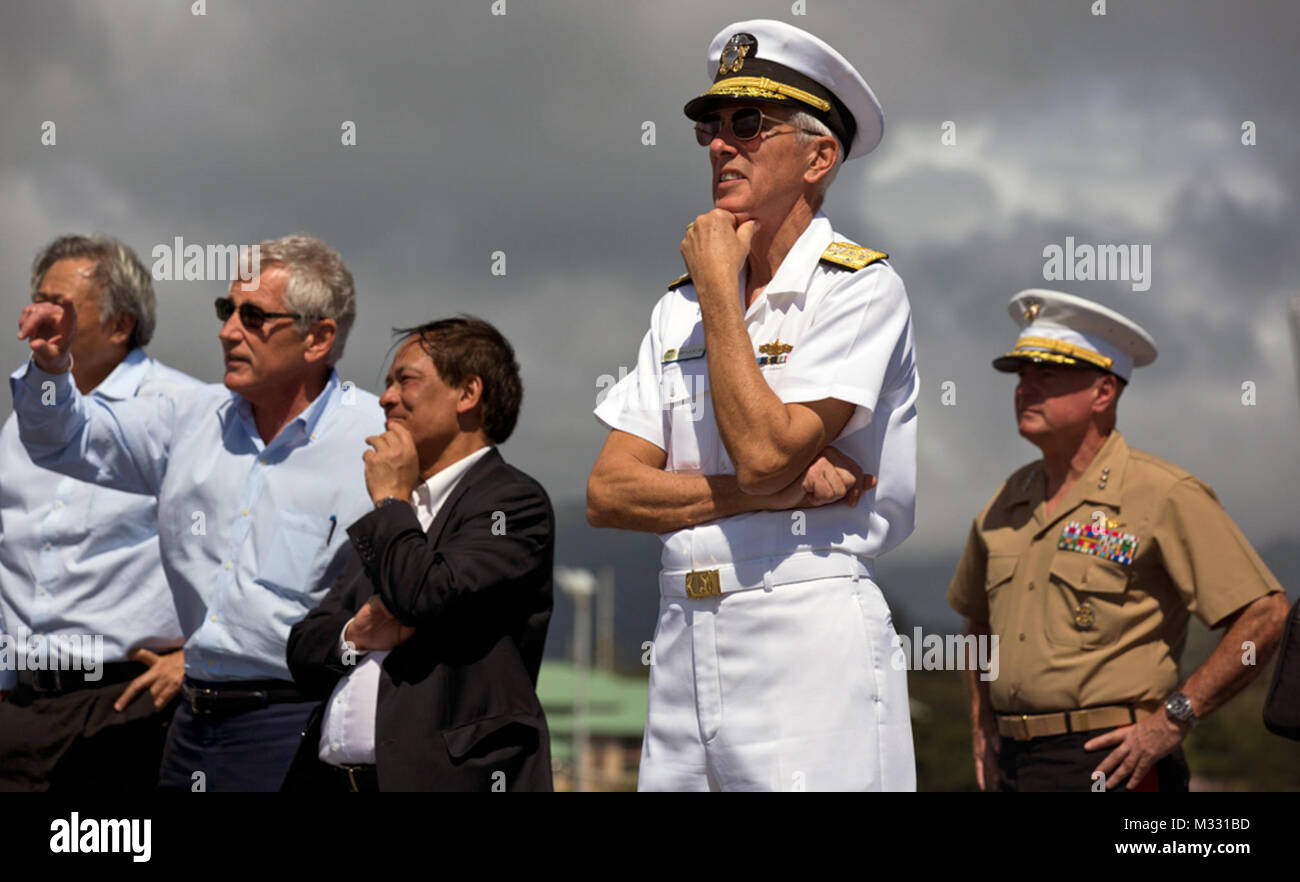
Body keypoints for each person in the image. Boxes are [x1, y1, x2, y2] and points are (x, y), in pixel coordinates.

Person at [587, 19, 919, 791]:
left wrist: (718, 292)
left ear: (819, 156)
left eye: (748, 125)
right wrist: (761, 492)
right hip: (683, 627)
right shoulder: (677, 309)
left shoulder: (860, 288)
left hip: (802, 619)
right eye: (711, 126)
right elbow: (609, 493)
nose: (718, 144)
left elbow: (769, 449)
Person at [12, 233, 384, 791]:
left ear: (319, 338)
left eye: (253, 316)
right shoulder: (188, 417)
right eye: (225, 309)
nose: (227, 330)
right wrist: (50, 369)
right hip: (191, 728)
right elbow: (63, 440)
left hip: (299, 721)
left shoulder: (378, 438)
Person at [947, 288, 1289, 791]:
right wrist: (981, 725)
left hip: (1113, 760)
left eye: (1047, 375)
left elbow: (1265, 615)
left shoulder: (1164, 494)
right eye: (1021, 376)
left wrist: (1174, 719)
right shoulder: (1006, 500)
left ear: (1103, 393)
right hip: (1015, 761)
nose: (1025, 388)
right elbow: (978, 620)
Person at [284, 317, 554, 791]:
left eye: (405, 380)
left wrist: (390, 502)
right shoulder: (399, 514)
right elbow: (305, 647)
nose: (386, 397)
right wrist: (354, 634)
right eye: (387, 383)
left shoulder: (513, 503)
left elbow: (425, 594)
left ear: (468, 393)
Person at [0, 234, 198, 791]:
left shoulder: (185, 410)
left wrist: (204, 652)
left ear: (120, 325)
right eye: (38, 298)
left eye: (60, 305)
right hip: (22, 710)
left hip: (127, 705)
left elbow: (244, 541)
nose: (40, 314)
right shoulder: (21, 425)